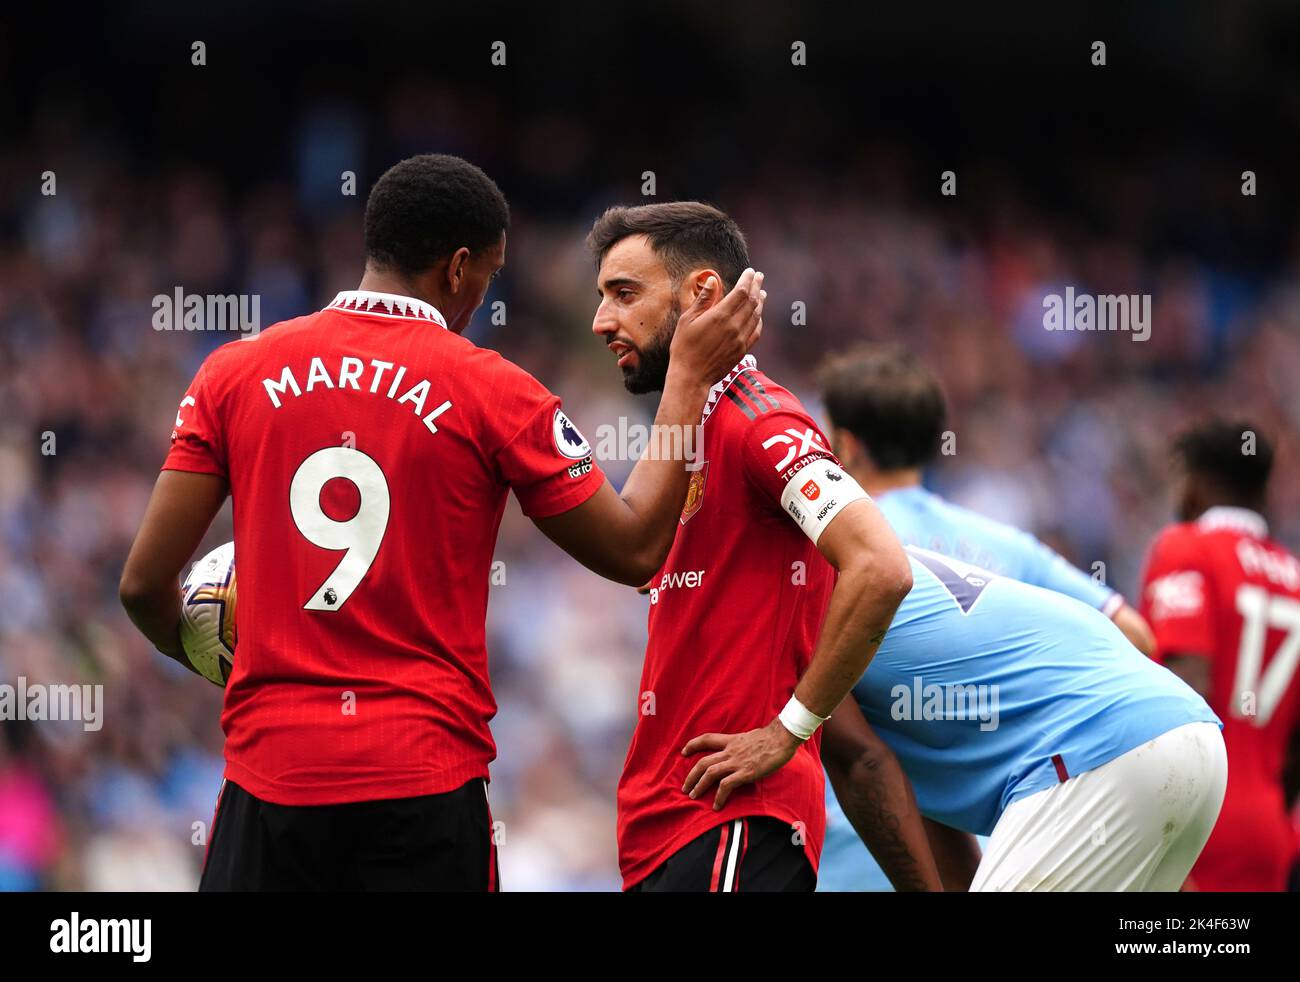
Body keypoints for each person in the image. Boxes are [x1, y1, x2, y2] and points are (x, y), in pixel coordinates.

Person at [118, 155, 765, 891]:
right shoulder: (492, 389)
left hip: (269, 783)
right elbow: (635, 548)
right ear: (459, 269)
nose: (482, 296)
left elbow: (142, 585)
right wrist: (686, 380)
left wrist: (220, 657)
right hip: (423, 787)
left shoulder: (233, 372)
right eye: (489, 275)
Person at [586, 202, 917, 892]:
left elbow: (881, 566)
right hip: (667, 826)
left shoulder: (760, 423)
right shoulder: (684, 436)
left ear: (702, 293)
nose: (602, 321)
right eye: (601, 297)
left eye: (624, 293)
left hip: (731, 817)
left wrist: (788, 730)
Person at [815, 342, 1158, 890]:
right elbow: (1136, 634)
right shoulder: (1003, 544)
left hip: (854, 845)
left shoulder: (836, 545)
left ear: (846, 447)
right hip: (993, 847)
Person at [825, 545, 1226, 892]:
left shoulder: (810, 593)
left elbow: (862, 763)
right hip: (1193, 738)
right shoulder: (876, 558)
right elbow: (925, 801)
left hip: (1095, 749)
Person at [1138, 418, 1300, 891]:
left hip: (1191, 824)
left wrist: (1166, 834)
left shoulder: (1185, 547)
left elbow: (1187, 688)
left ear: (1197, 486)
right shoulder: (1294, 578)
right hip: (1270, 832)